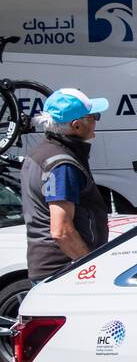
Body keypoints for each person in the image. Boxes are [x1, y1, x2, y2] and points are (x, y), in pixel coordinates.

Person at [20, 88, 111, 279]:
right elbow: (61, 231)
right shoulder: (62, 164)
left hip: (51, 267)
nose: (96, 120)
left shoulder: (41, 152)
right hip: (65, 270)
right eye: (94, 116)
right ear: (76, 126)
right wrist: (91, 267)